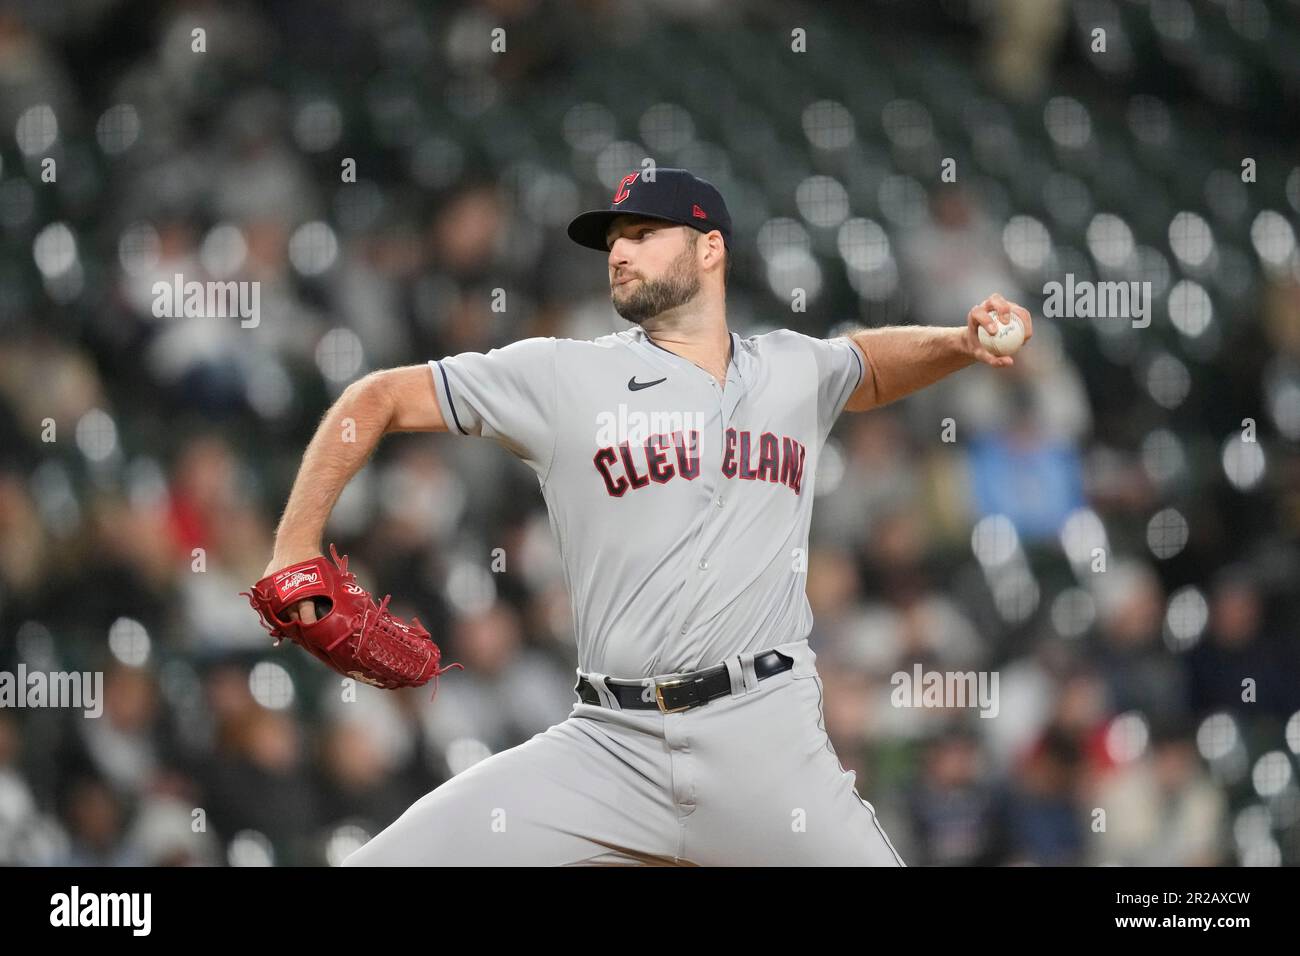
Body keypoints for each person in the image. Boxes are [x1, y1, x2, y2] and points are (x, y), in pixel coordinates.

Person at [261, 168, 1033, 865]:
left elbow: (866, 366)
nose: (619, 253)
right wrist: (294, 548)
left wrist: (960, 343)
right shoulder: (565, 375)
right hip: (608, 743)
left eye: (642, 234)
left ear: (709, 250)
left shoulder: (794, 370)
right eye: (612, 241)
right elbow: (378, 398)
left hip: (766, 739)